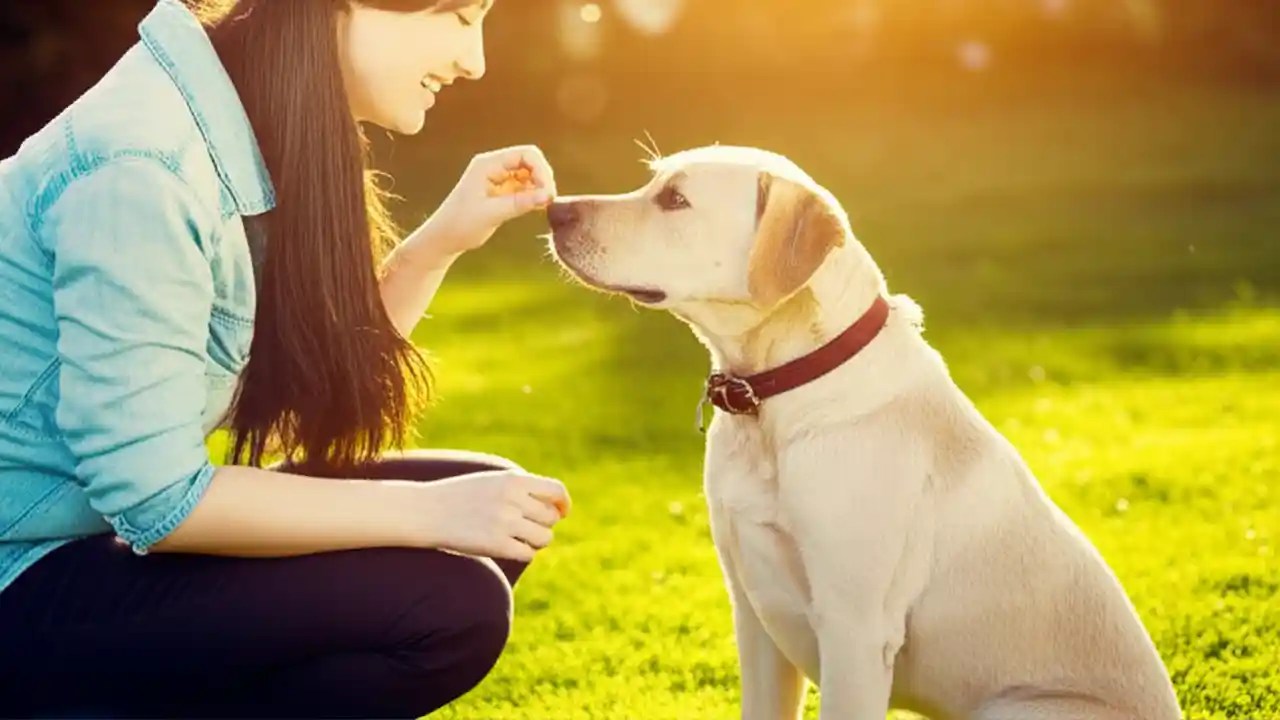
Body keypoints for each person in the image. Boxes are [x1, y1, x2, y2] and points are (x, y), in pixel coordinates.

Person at [0, 0, 572, 716]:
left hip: (92, 542)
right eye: (459, 15)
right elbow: (158, 501)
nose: (474, 59)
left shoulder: (239, 119)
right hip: (22, 576)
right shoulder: (143, 167)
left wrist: (439, 244)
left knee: (495, 503)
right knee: (454, 601)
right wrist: (429, 513)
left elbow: (300, 393)